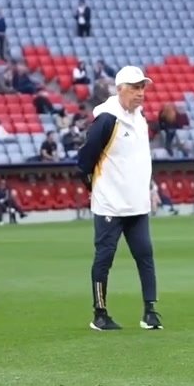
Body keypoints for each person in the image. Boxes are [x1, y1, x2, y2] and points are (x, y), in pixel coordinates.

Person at [76, 66, 163, 331]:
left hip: (137, 203)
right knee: (104, 258)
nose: (140, 93)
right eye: (135, 87)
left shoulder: (140, 118)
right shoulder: (106, 120)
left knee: (145, 256)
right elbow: (84, 159)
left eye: (143, 87)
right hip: (110, 204)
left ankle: (150, 311)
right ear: (120, 89)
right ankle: (99, 313)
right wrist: (94, 186)